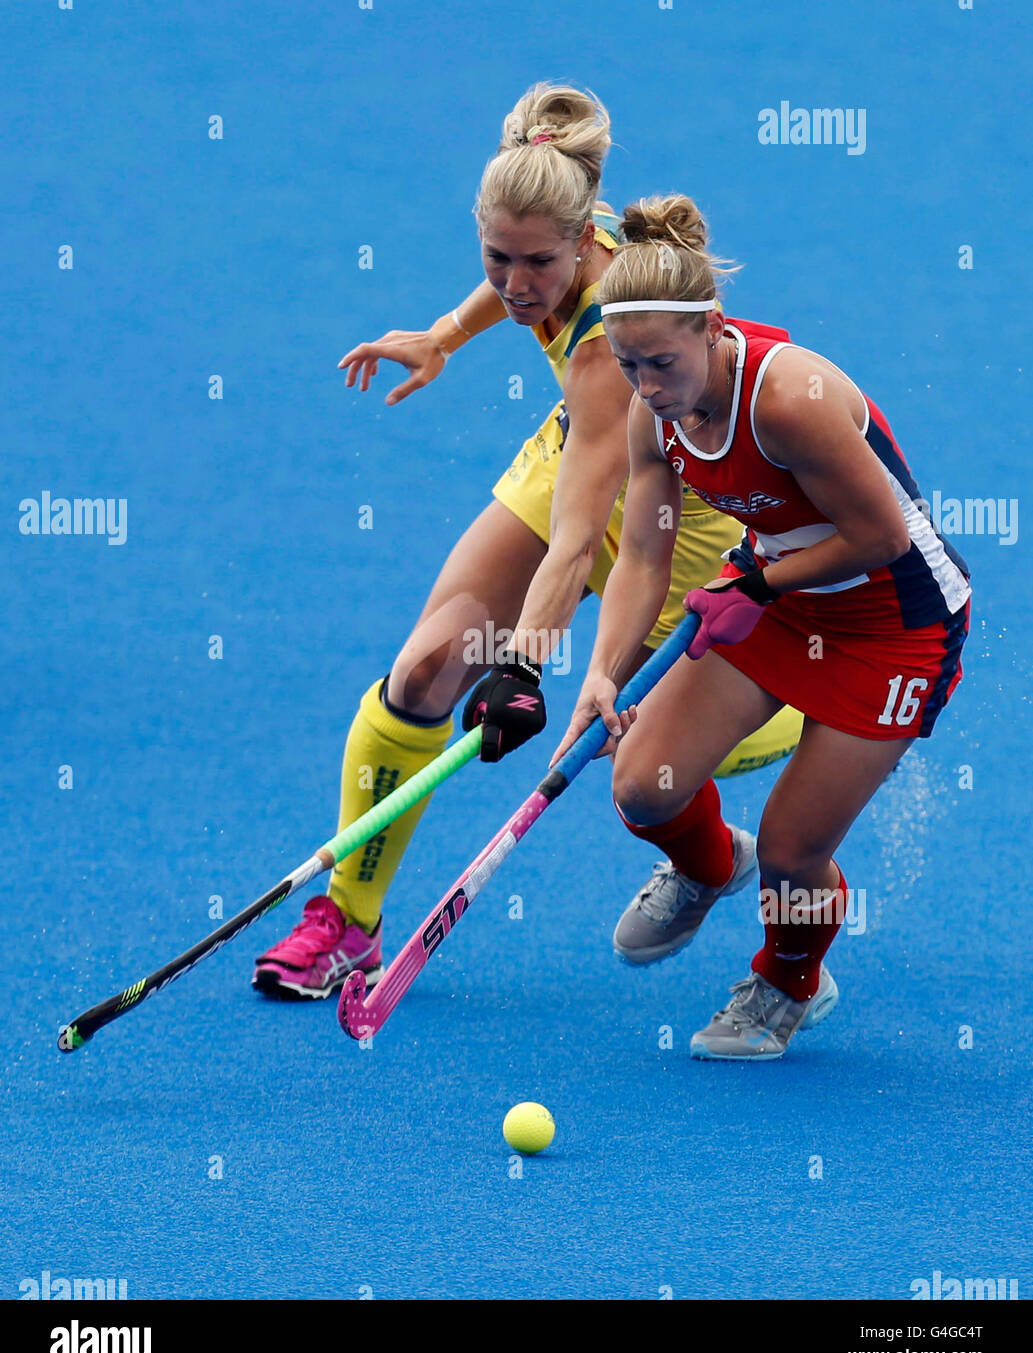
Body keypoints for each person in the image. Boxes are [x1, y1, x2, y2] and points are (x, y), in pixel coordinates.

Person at [252, 90, 801, 1001]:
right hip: (584, 462)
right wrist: (443, 336)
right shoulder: (552, 240)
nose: (514, 285)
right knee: (427, 667)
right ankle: (347, 924)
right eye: (495, 258)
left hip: (679, 521)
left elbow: (582, 541)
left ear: (584, 243)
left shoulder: (603, 347)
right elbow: (512, 293)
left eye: (537, 264)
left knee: (648, 765)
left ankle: (717, 850)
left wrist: (521, 669)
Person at [553, 195, 971, 1059]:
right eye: (629, 367)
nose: (649, 389)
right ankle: (709, 866)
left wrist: (763, 583)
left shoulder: (788, 399)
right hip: (781, 598)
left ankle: (788, 982)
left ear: (711, 327)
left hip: (895, 622)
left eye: (663, 363)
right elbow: (641, 556)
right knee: (642, 785)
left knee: (793, 849)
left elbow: (880, 538)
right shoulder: (652, 411)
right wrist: (601, 673)